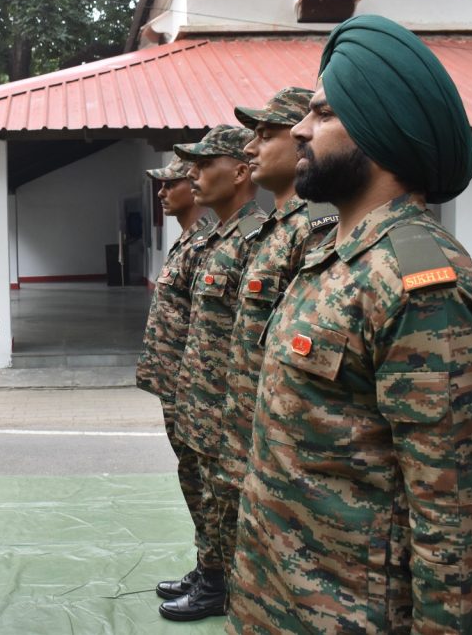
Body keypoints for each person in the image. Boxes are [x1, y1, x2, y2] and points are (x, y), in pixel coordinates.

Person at [230, 15, 472, 633]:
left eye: (324, 115)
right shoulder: (335, 255)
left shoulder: (421, 283)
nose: (302, 130)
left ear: (381, 133)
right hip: (277, 600)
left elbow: (458, 514)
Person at [210, 86, 339, 607]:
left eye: (266, 135)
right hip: (248, 418)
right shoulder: (275, 229)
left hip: (279, 438)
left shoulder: (313, 228)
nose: (250, 147)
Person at [158, 125, 265, 622]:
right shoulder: (221, 238)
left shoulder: (254, 239)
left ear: (240, 172)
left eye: (204, 166)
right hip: (199, 395)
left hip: (228, 402)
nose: (193, 176)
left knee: (224, 498)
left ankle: (221, 582)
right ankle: (211, 571)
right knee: (205, 491)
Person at [135, 157, 214, 601]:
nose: (163, 193)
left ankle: (215, 575)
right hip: (176, 385)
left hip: (193, 386)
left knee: (203, 483)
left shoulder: (206, 243)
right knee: (191, 479)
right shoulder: (187, 241)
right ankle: (207, 566)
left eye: (171, 184)